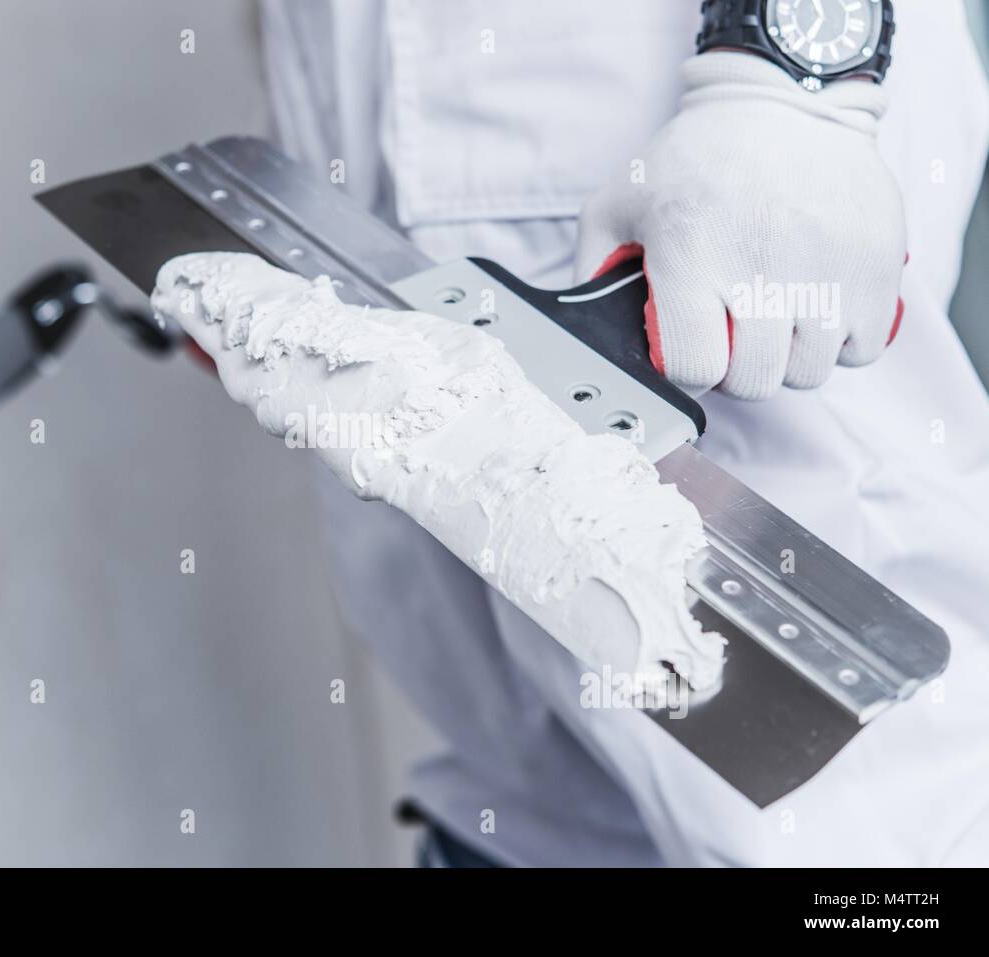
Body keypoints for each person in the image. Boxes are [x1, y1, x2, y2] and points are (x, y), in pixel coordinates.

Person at [258, 0, 989, 866]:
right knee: (538, 718)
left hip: (705, 96)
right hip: (531, 805)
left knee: (857, 804)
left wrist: (799, 73)